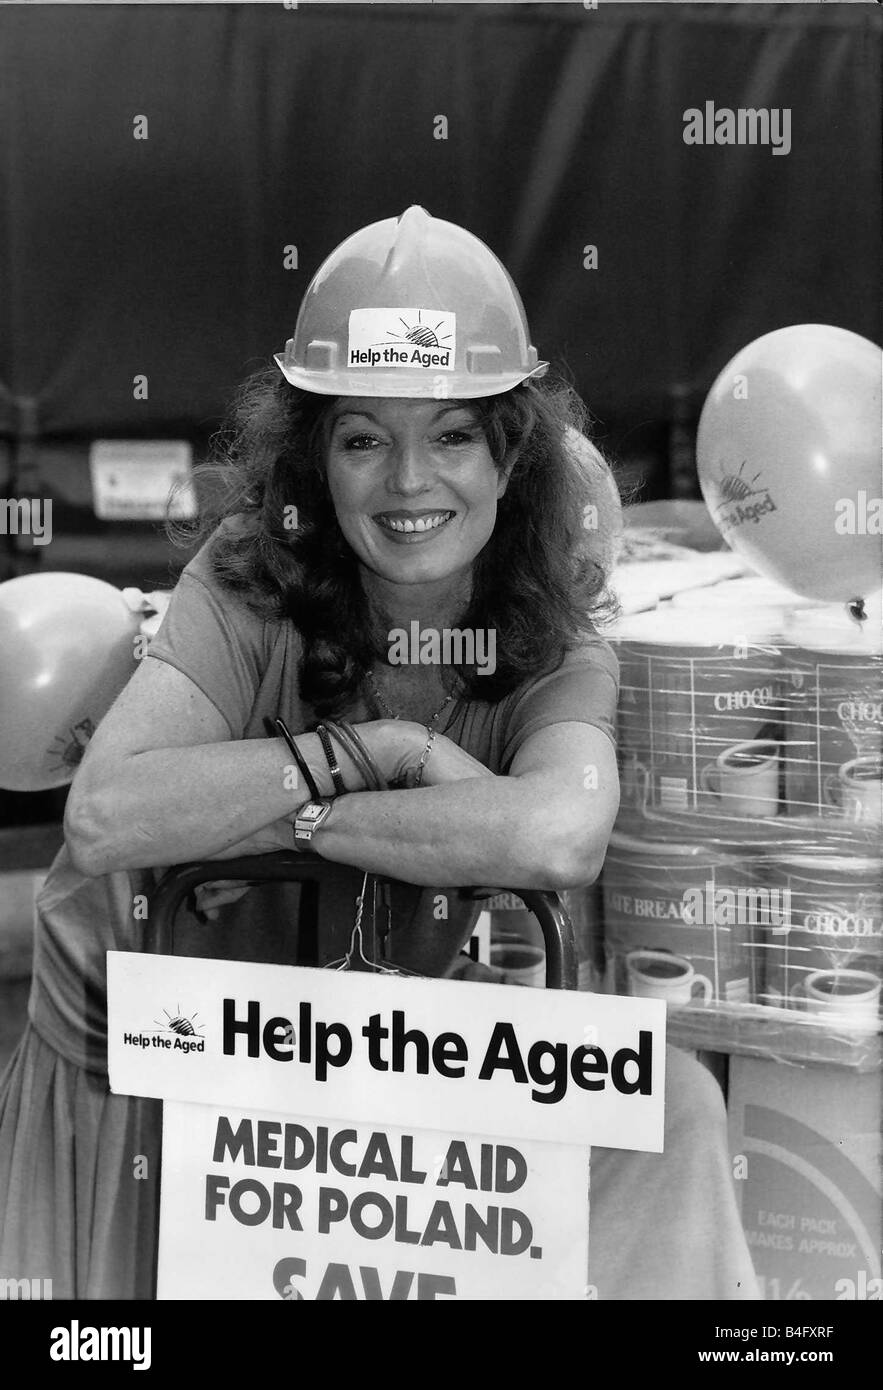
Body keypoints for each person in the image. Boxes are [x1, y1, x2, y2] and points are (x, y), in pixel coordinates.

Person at [0, 206, 758, 1300]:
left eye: (450, 436)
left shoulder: (552, 635)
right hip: (146, 1066)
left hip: (363, 1055)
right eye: (363, 439)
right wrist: (377, 752)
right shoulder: (250, 573)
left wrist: (282, 817)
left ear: (510, 454)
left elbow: (556, 835)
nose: (408, 481)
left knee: (671, 1110)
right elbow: (110, 814)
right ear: (317, 460)